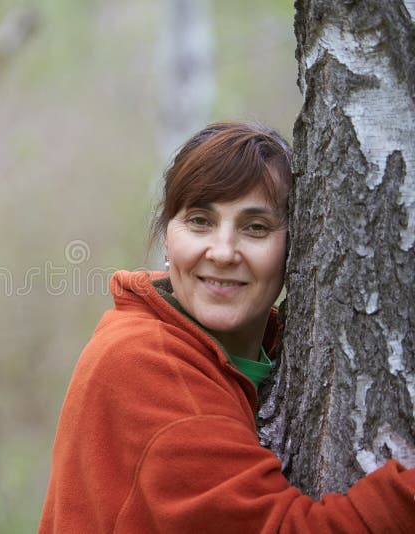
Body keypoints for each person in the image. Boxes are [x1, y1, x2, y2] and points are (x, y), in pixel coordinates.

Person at [38, 122, 415, 533]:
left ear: (298, 248)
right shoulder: (146, 363)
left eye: (256, 227)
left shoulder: (270, 352)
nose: (222, 252)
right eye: (200, 221)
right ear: (168, 235)